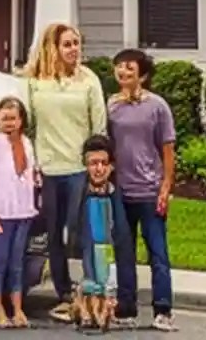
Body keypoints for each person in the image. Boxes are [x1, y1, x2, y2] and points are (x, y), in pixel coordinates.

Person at [20, 22, 107, 323]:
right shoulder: (33, 82)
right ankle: (64, 293)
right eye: (67, 44)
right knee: (53, 234)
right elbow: (24, 125)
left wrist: (97, 166)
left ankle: (93, 289)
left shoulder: (89, 80)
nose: (74, 50)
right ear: (52, 48)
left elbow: (99, 126)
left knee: (81, 232)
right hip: (48, 168)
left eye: (76, 44)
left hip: (78, 168)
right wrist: (32, 164)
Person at [106, 48, 179, 332]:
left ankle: (163, 309)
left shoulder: (158, 106)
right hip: (121, 191)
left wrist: (165, 187)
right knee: (124, 250)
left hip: (149, 190)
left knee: (157, 252)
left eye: (129, 68)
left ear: (143, 75)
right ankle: (126, 308)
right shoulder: (112, 105)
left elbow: (168, 149)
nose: (123, 72)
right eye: (119, 67)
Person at [0, 95, 41, 329]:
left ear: (21, 120)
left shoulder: (26, 143)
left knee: (17, 262)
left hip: (23, 212)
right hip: (1, 214)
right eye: (4, 119)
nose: (9, 123)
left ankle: (18, 308)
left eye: (13, 118)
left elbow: (30, 174)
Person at [65, 134, 135, 332]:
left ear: (111, 166)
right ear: (86, 165)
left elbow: (120, 225)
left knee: (105, 278)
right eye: (93, 163)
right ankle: (86, 311)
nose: (99, 169)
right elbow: (73, 221)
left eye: (104, 163)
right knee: (89, 277)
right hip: (87, 244)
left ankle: (103, 312)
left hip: (107, 244)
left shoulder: (114, 192)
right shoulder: (81, 192)